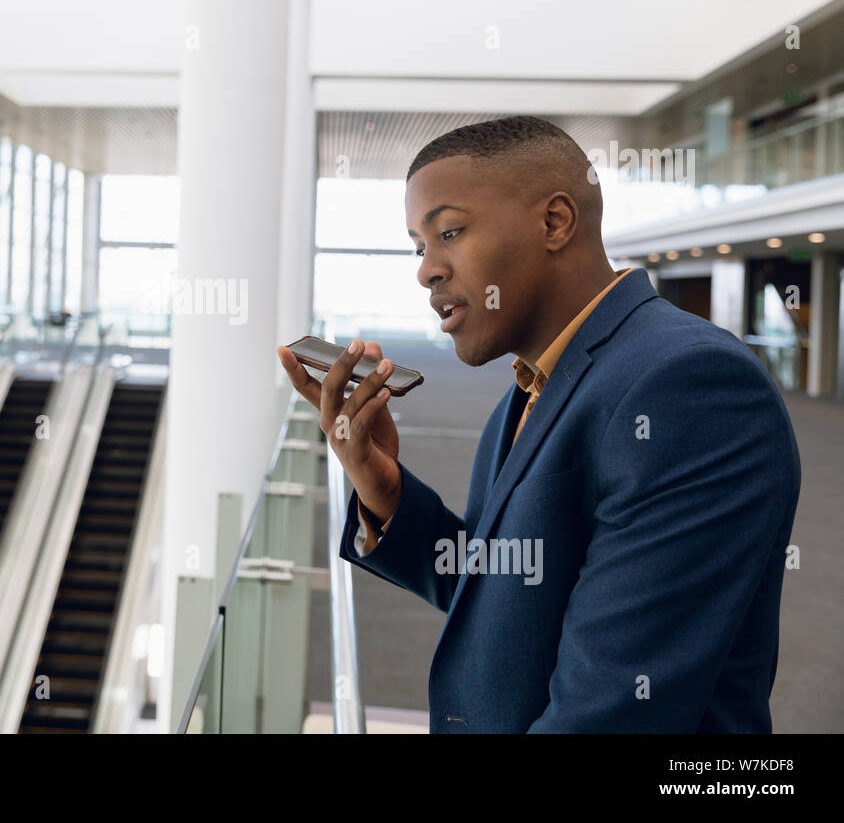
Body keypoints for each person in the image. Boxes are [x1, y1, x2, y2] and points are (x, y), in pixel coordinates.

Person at [276, 116, 801, 732]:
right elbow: (508, 597)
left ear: (554, 222)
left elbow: (611, 711)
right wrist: (381, 488)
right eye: (420, 247)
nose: (426, 270)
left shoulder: (690, 385)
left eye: (449, 231)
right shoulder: (530, 390)